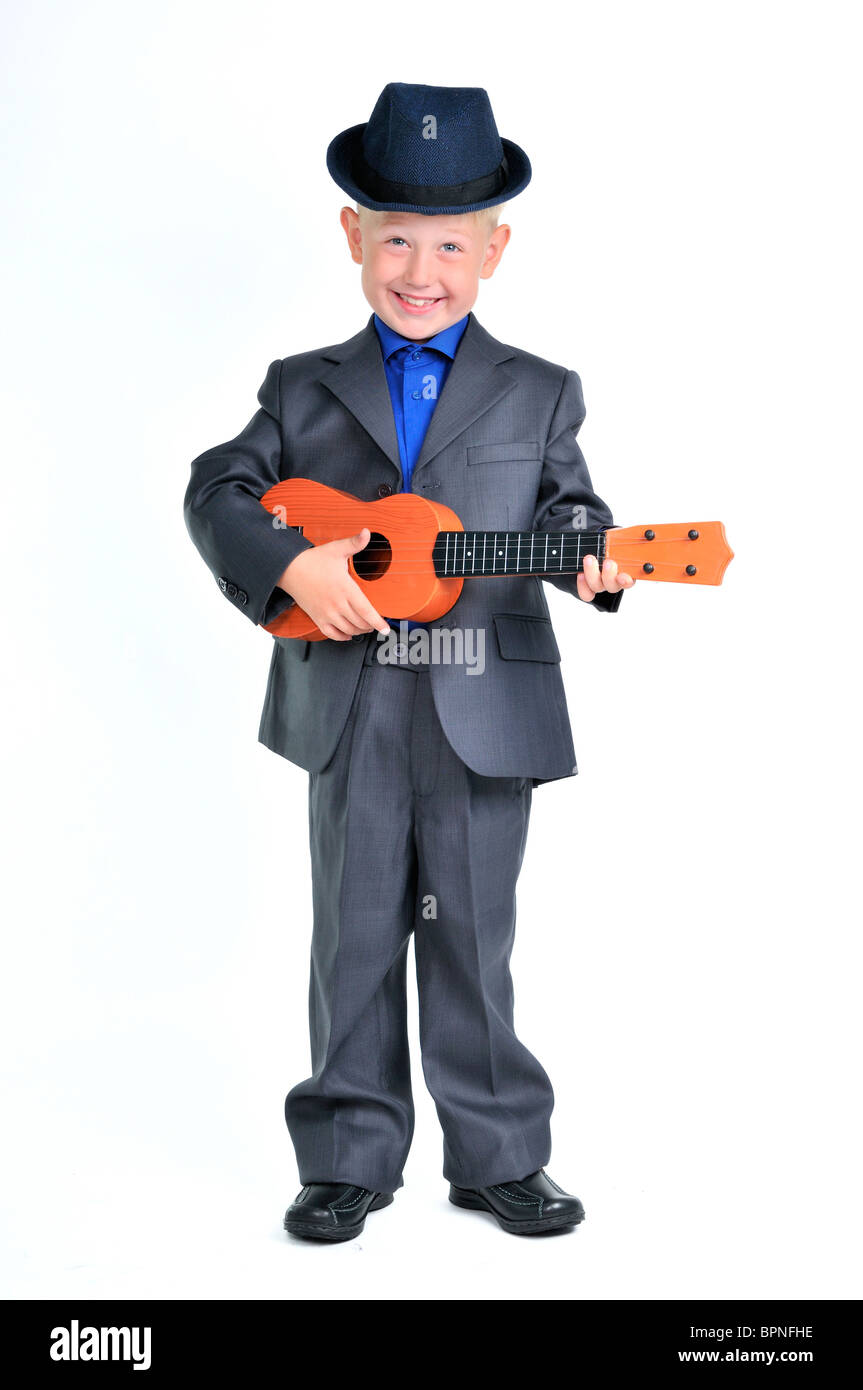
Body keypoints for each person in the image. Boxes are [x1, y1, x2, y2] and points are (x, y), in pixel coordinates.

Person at [184, 82, 634, 1243]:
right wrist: (292, 569)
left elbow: (570, 509)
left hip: (485, 697)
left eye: (448, 242)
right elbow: (220, 490)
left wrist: (594, 556)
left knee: (475, 935)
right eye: (394, 237)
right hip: (349, 701)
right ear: (351, 237)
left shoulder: (539, 390)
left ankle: (496, 1155)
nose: (419, 268)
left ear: (493, 249)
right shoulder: (300, 384)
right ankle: (346, 1151)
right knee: (354, 929)